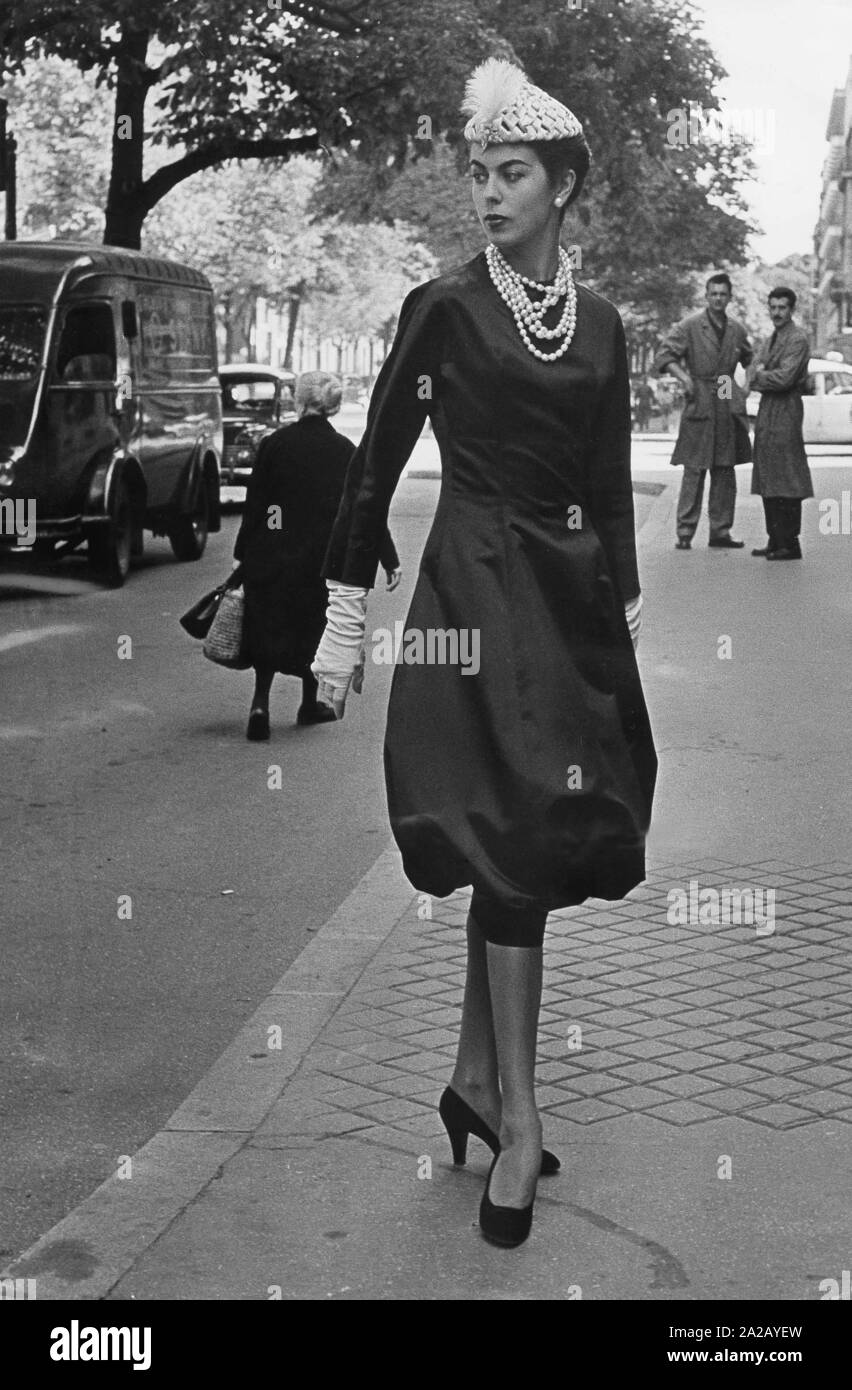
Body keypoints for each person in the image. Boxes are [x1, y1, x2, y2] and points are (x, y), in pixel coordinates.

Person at [312, 57, 657, 1248]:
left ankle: (472, 1076)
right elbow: (375, 466)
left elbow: (609, 490)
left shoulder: (605, 325)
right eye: (480, 172)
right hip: (468, 601)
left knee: (536, 837)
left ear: (563, 186)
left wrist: (623, 609)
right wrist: (344, 617)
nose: (490, 193)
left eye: (512, 174)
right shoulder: (445, 307)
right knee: (509, 836)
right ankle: (517, 1115)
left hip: (565, 609)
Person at [232, 371, 401, 740]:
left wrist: (242, 553)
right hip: (319, 559)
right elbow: (364, 507)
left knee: (268, 625)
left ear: (298, 400)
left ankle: (260, 702)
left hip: (272, 554)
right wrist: (388, 557)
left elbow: (257, 503)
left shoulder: (274, 444)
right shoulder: (344, 450)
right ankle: (310, 703)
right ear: (332, 405)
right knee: (312, 627)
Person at [654, 274, 753, 550]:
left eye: (723, 294)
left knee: (724, 468)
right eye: (713, 294)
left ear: (730, 297)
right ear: (706, 296)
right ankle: (685, 531)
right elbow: (664, 355)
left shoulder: (737, 329)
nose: (718, 298)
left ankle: (721, 531)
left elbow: (752, 359)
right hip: (699, 395)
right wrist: (684, 378)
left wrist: (743, 389)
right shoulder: (690, 326)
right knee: (694, 468)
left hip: (725, 393)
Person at [748, 288, 813, 561]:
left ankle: (790, 542)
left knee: (786, 474)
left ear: (791, 310)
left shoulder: (797, 339)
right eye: (773, 307)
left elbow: (785, 378)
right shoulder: (770, 338)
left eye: (782, 308)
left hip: (786, 409)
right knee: (768, 473)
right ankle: (775, 539)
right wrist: (759, 374)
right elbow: (753, 367)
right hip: (767, 409)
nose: (776, 313)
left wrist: (759, 377)